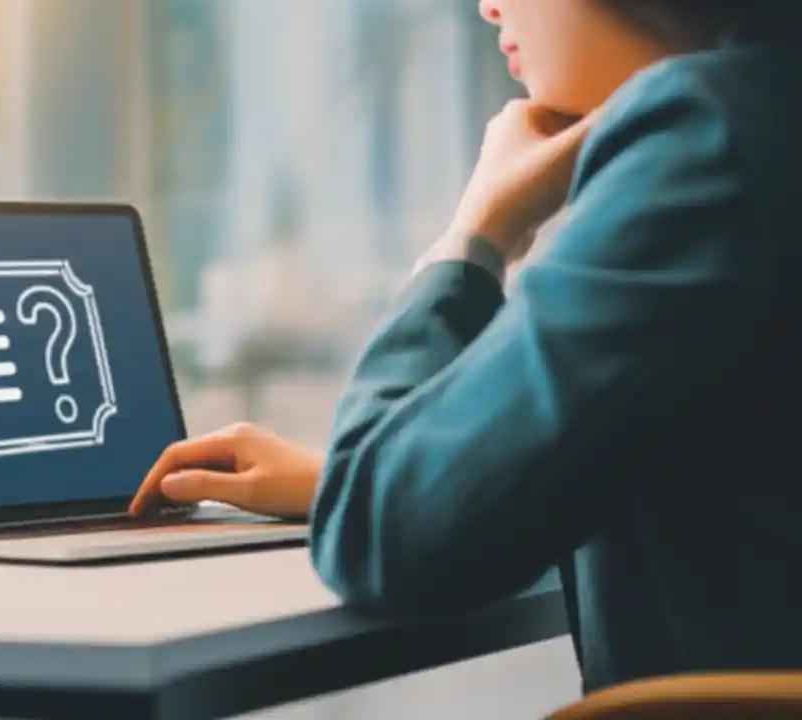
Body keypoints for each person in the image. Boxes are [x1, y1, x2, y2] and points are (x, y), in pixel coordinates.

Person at [130, 0, 802, 694]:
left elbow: (387, 538)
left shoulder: (716, 135)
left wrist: (477, 233)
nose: (487, 5)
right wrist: (357, 480)